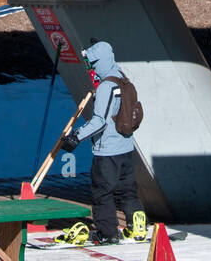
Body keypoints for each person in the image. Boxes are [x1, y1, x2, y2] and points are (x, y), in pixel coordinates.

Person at [57, 40, 146, 245]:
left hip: (107, 151)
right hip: (126, 147)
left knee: (102, 191)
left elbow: (100, 122)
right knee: (127, 190)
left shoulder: (107, 86)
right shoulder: (124, 80)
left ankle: (108, 232)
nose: (91, 68)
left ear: (100, 62)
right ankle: (138, 227)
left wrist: (75, 137)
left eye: (92, 64)